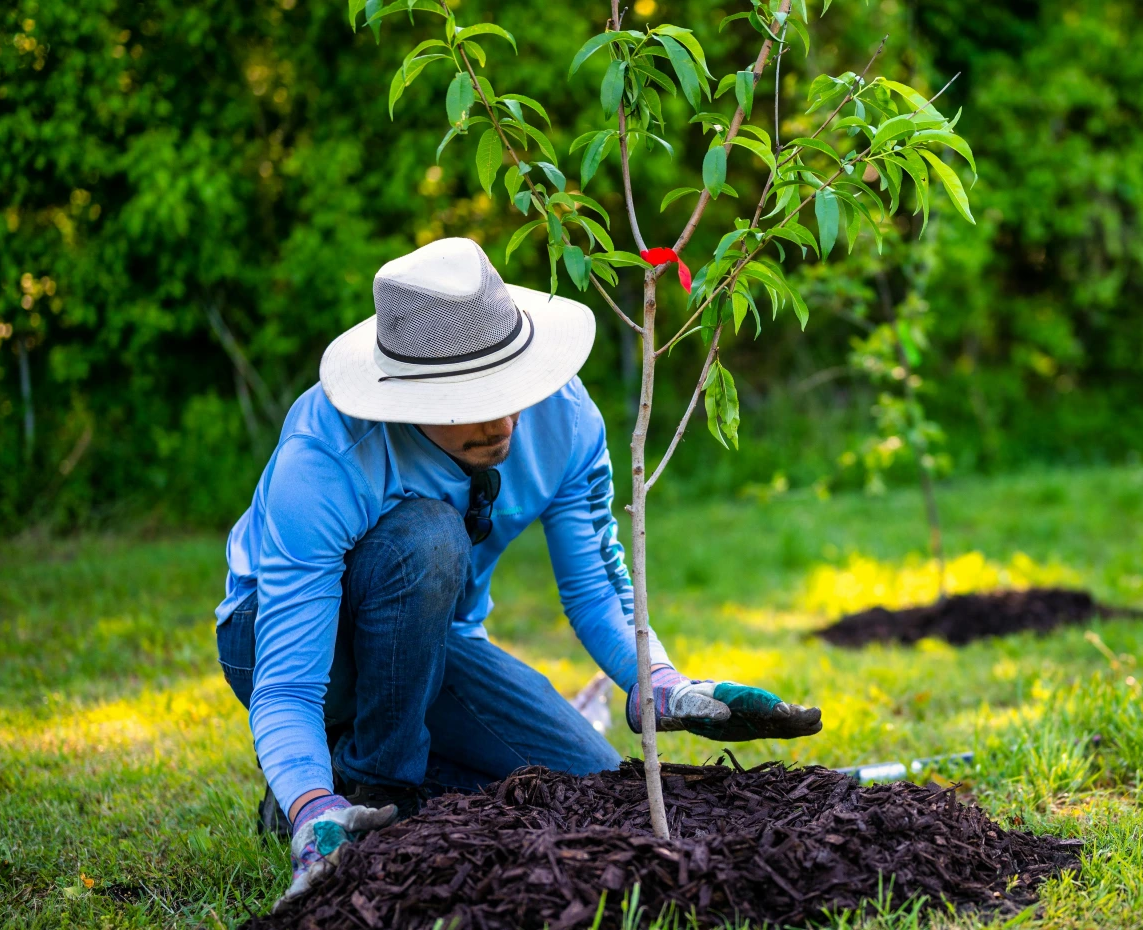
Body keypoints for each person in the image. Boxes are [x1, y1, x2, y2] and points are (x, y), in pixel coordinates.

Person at [213, 237, 821, 903]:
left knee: (585, 783)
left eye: (511, 387)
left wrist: (661, 685)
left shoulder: (563, 418)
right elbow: (288, 686)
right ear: (406, 396)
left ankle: (353, 778)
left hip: (436, 646)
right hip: (283, 642)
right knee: (428, 536)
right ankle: (357, 791)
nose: (504, 419)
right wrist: (311, 809)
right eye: (469, 398)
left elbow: (597, 585)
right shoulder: (327, 457)